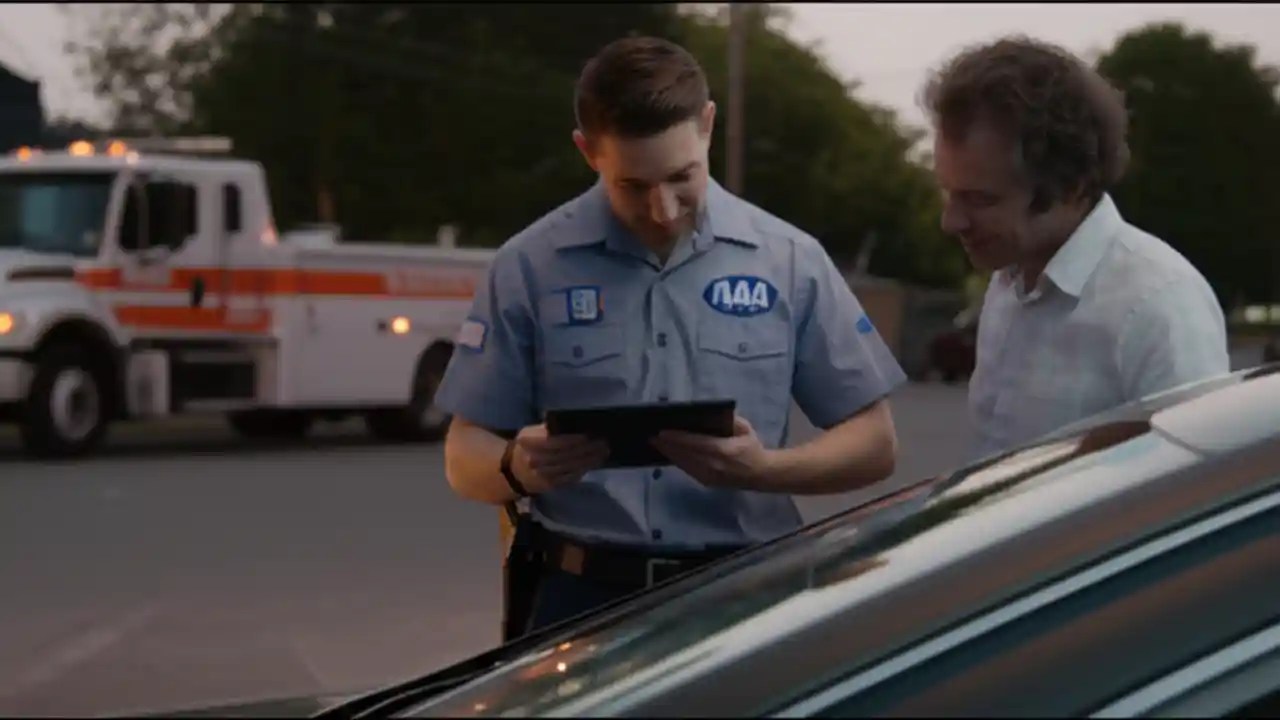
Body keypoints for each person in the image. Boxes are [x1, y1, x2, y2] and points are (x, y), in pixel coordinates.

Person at [435, 36, 908, 639]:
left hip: (748, 594)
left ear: (707, 125)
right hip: (581, 606)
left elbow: (876, 444)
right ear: (587, 152)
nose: (662, 209)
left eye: (683, 177)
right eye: (633, 185)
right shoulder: (528, 266)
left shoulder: (792, 261)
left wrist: (765, 470)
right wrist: (517, 464)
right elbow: (461, 456)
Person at [921, 36, 1230, 461]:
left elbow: (1201, 491)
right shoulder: (1007, 282)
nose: (950, 222)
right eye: (948, 192)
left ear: (1072, 187)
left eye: (980, 200)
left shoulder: (1158, 306)